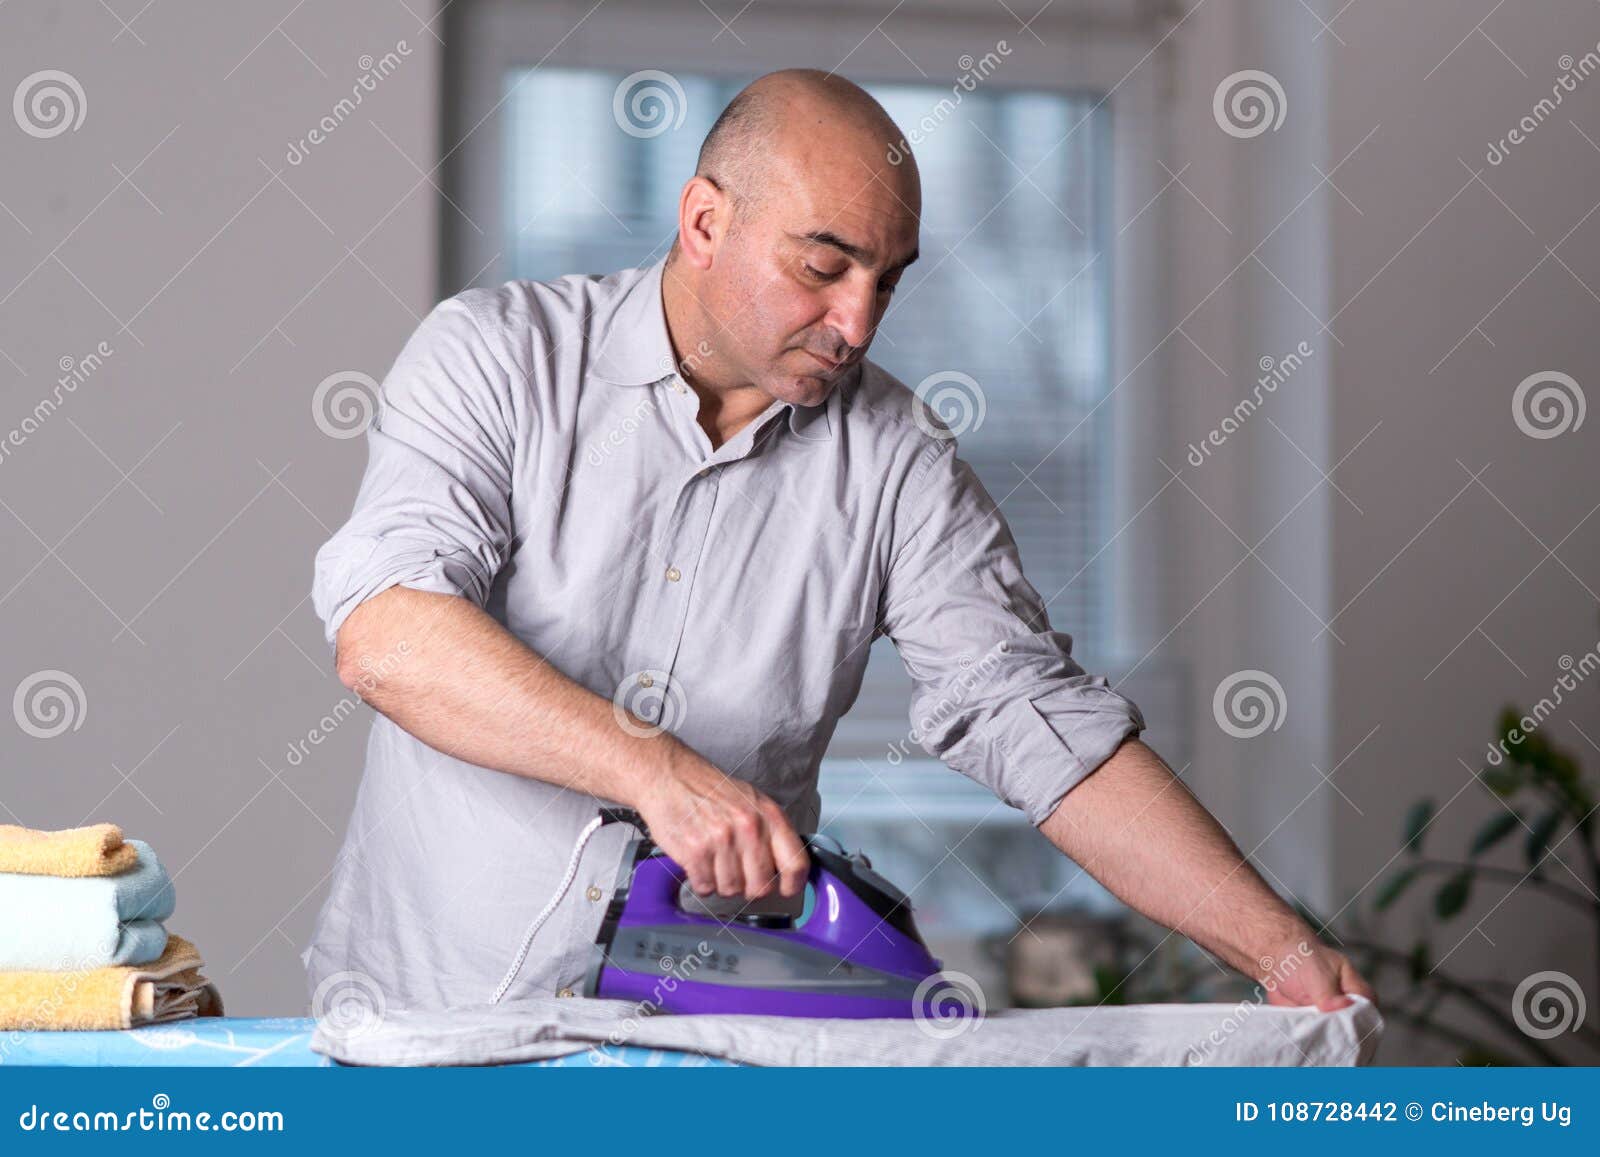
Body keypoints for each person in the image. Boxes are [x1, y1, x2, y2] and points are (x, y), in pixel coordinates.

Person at [305, 69, 1374, 1015]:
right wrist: (658, 770)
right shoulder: (493, 357)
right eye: (824, 266)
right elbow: (388, 634)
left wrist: (1277, 947)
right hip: (428, 1024)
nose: (858, 323)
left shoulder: (899, 458)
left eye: (889, 278)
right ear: (704, 222)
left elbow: (1030, 719)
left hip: (713, 1046)